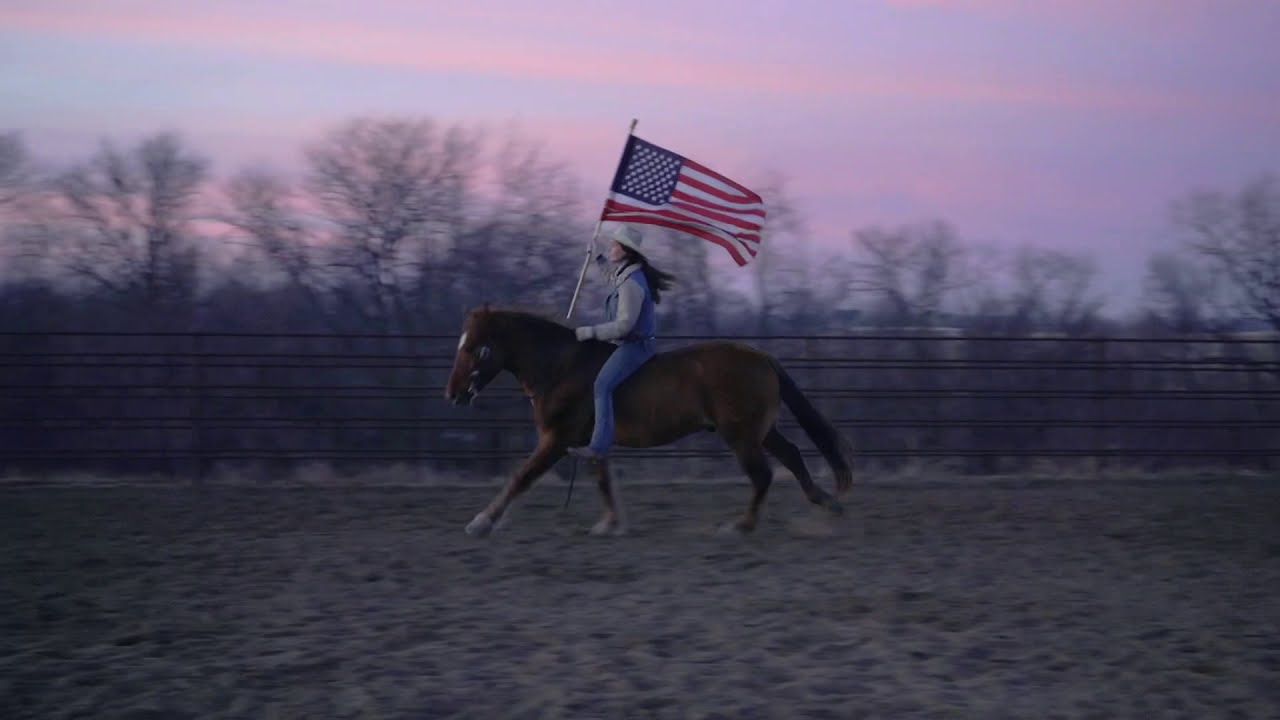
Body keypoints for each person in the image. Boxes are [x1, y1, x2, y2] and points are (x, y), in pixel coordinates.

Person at [569, 224, 675, 460]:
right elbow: (610, 277)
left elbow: (624, 325)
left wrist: (589, 332)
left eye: (615, 245)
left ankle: (597, 447)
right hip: (626, 344)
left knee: (601, 385)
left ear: (626, 251)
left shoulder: (631, 284)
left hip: (634, 347)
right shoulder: (627, 275)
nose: (611, 247)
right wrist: (598, 256)